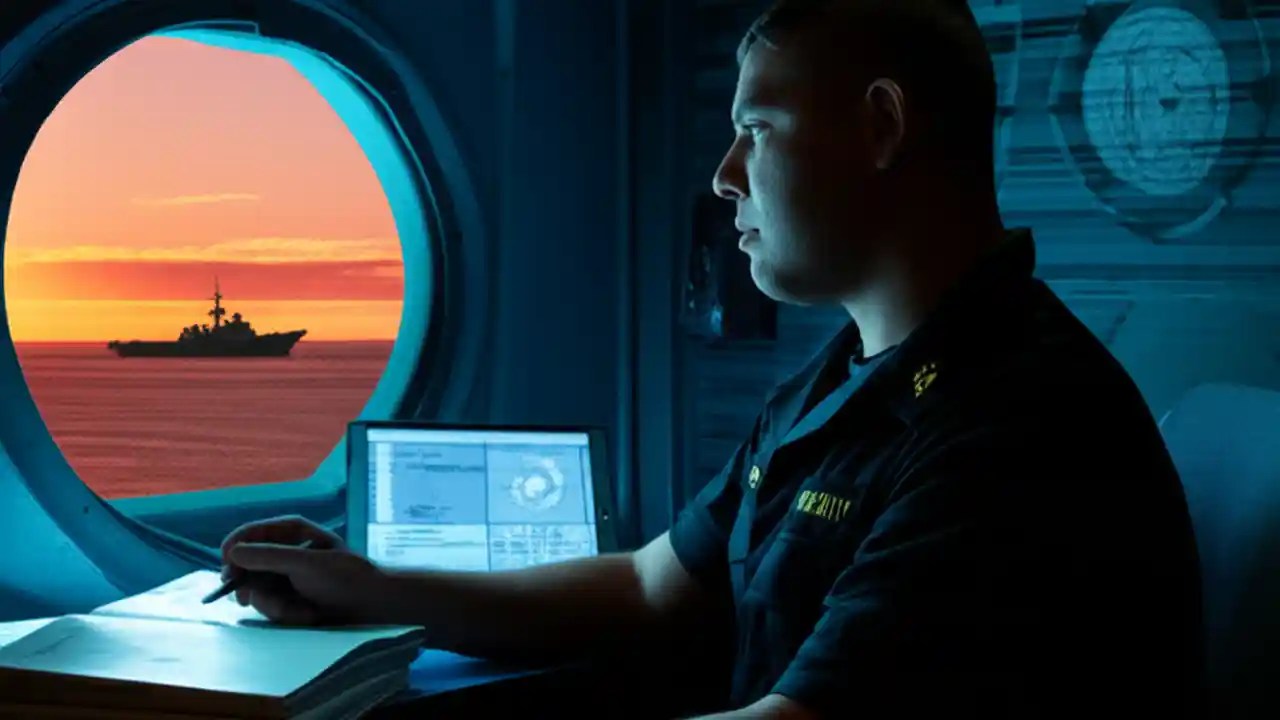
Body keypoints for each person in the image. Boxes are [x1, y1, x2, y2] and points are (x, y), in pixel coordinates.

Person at [219, 0, 1206, 717]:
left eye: (754, 129)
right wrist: (372, 588)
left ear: (880, 127)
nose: (723, 176)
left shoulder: (1013, 426)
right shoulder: (841, 377)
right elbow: (655, 586)